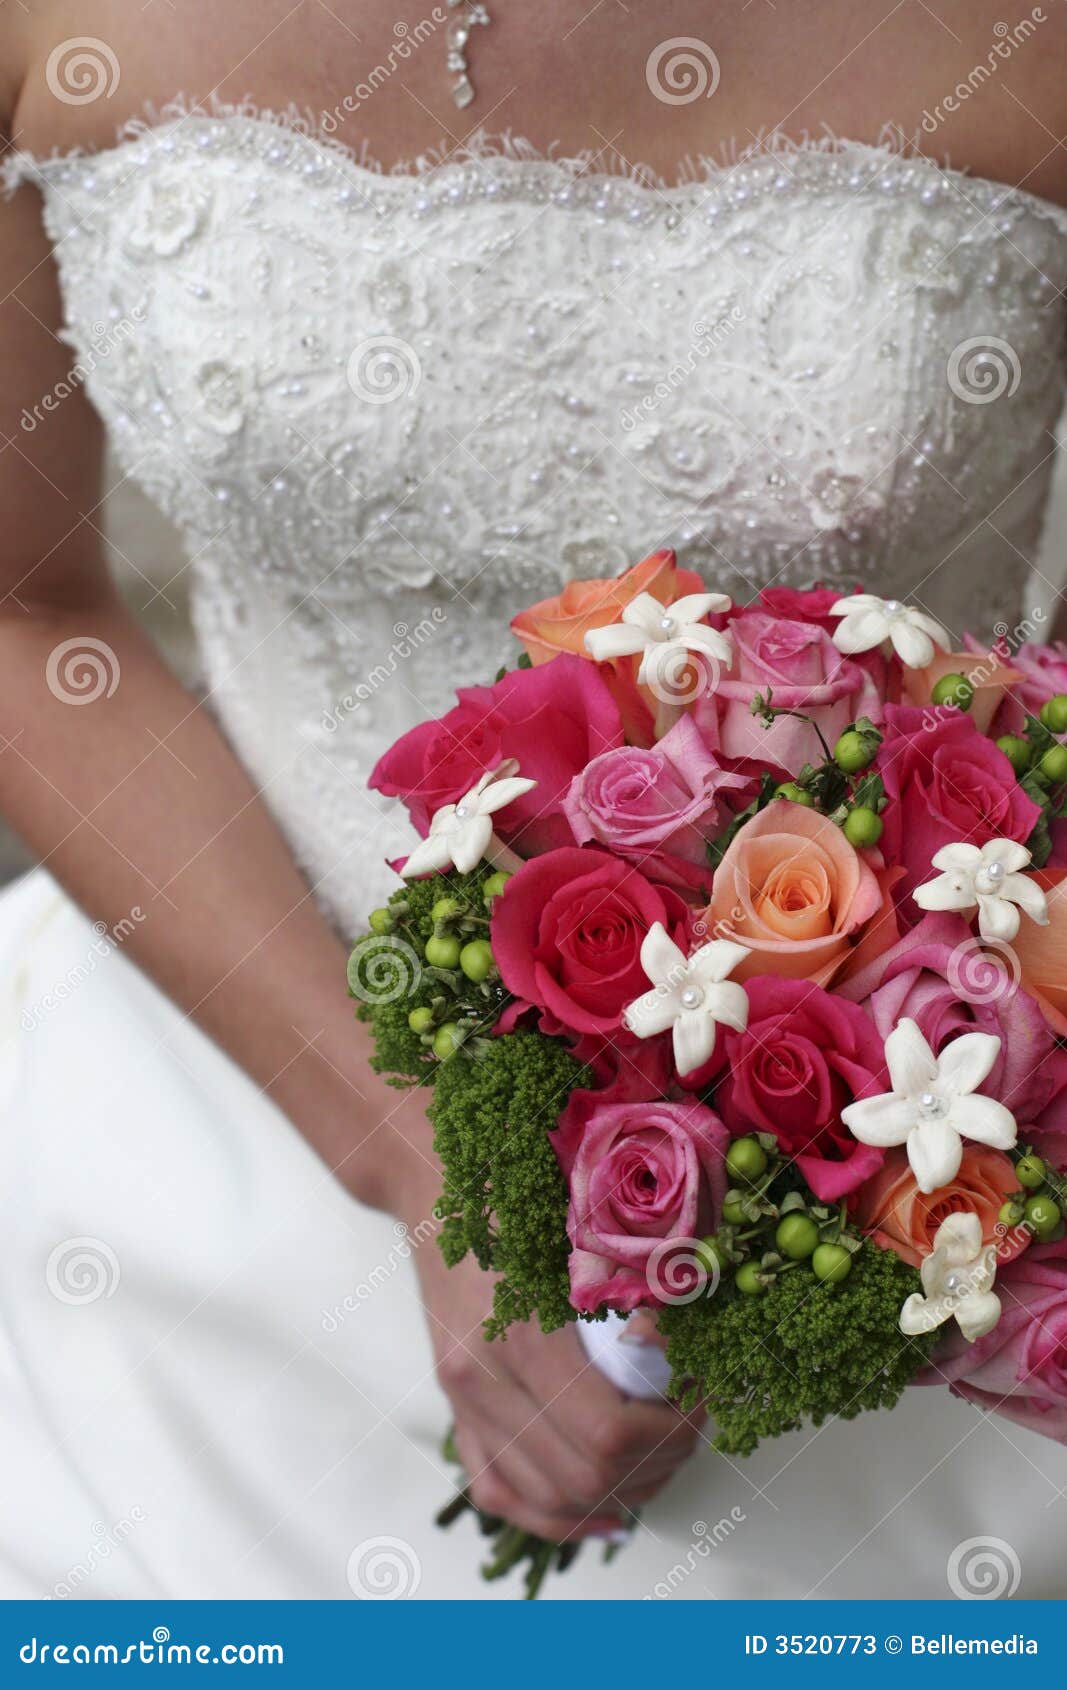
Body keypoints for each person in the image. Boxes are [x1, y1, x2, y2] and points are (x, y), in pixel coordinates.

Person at [1, 0, 1065, 1599]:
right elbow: (25, 612)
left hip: (908, 1221)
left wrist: (820, 1150)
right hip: (200, 1187)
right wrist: (408, 1153)